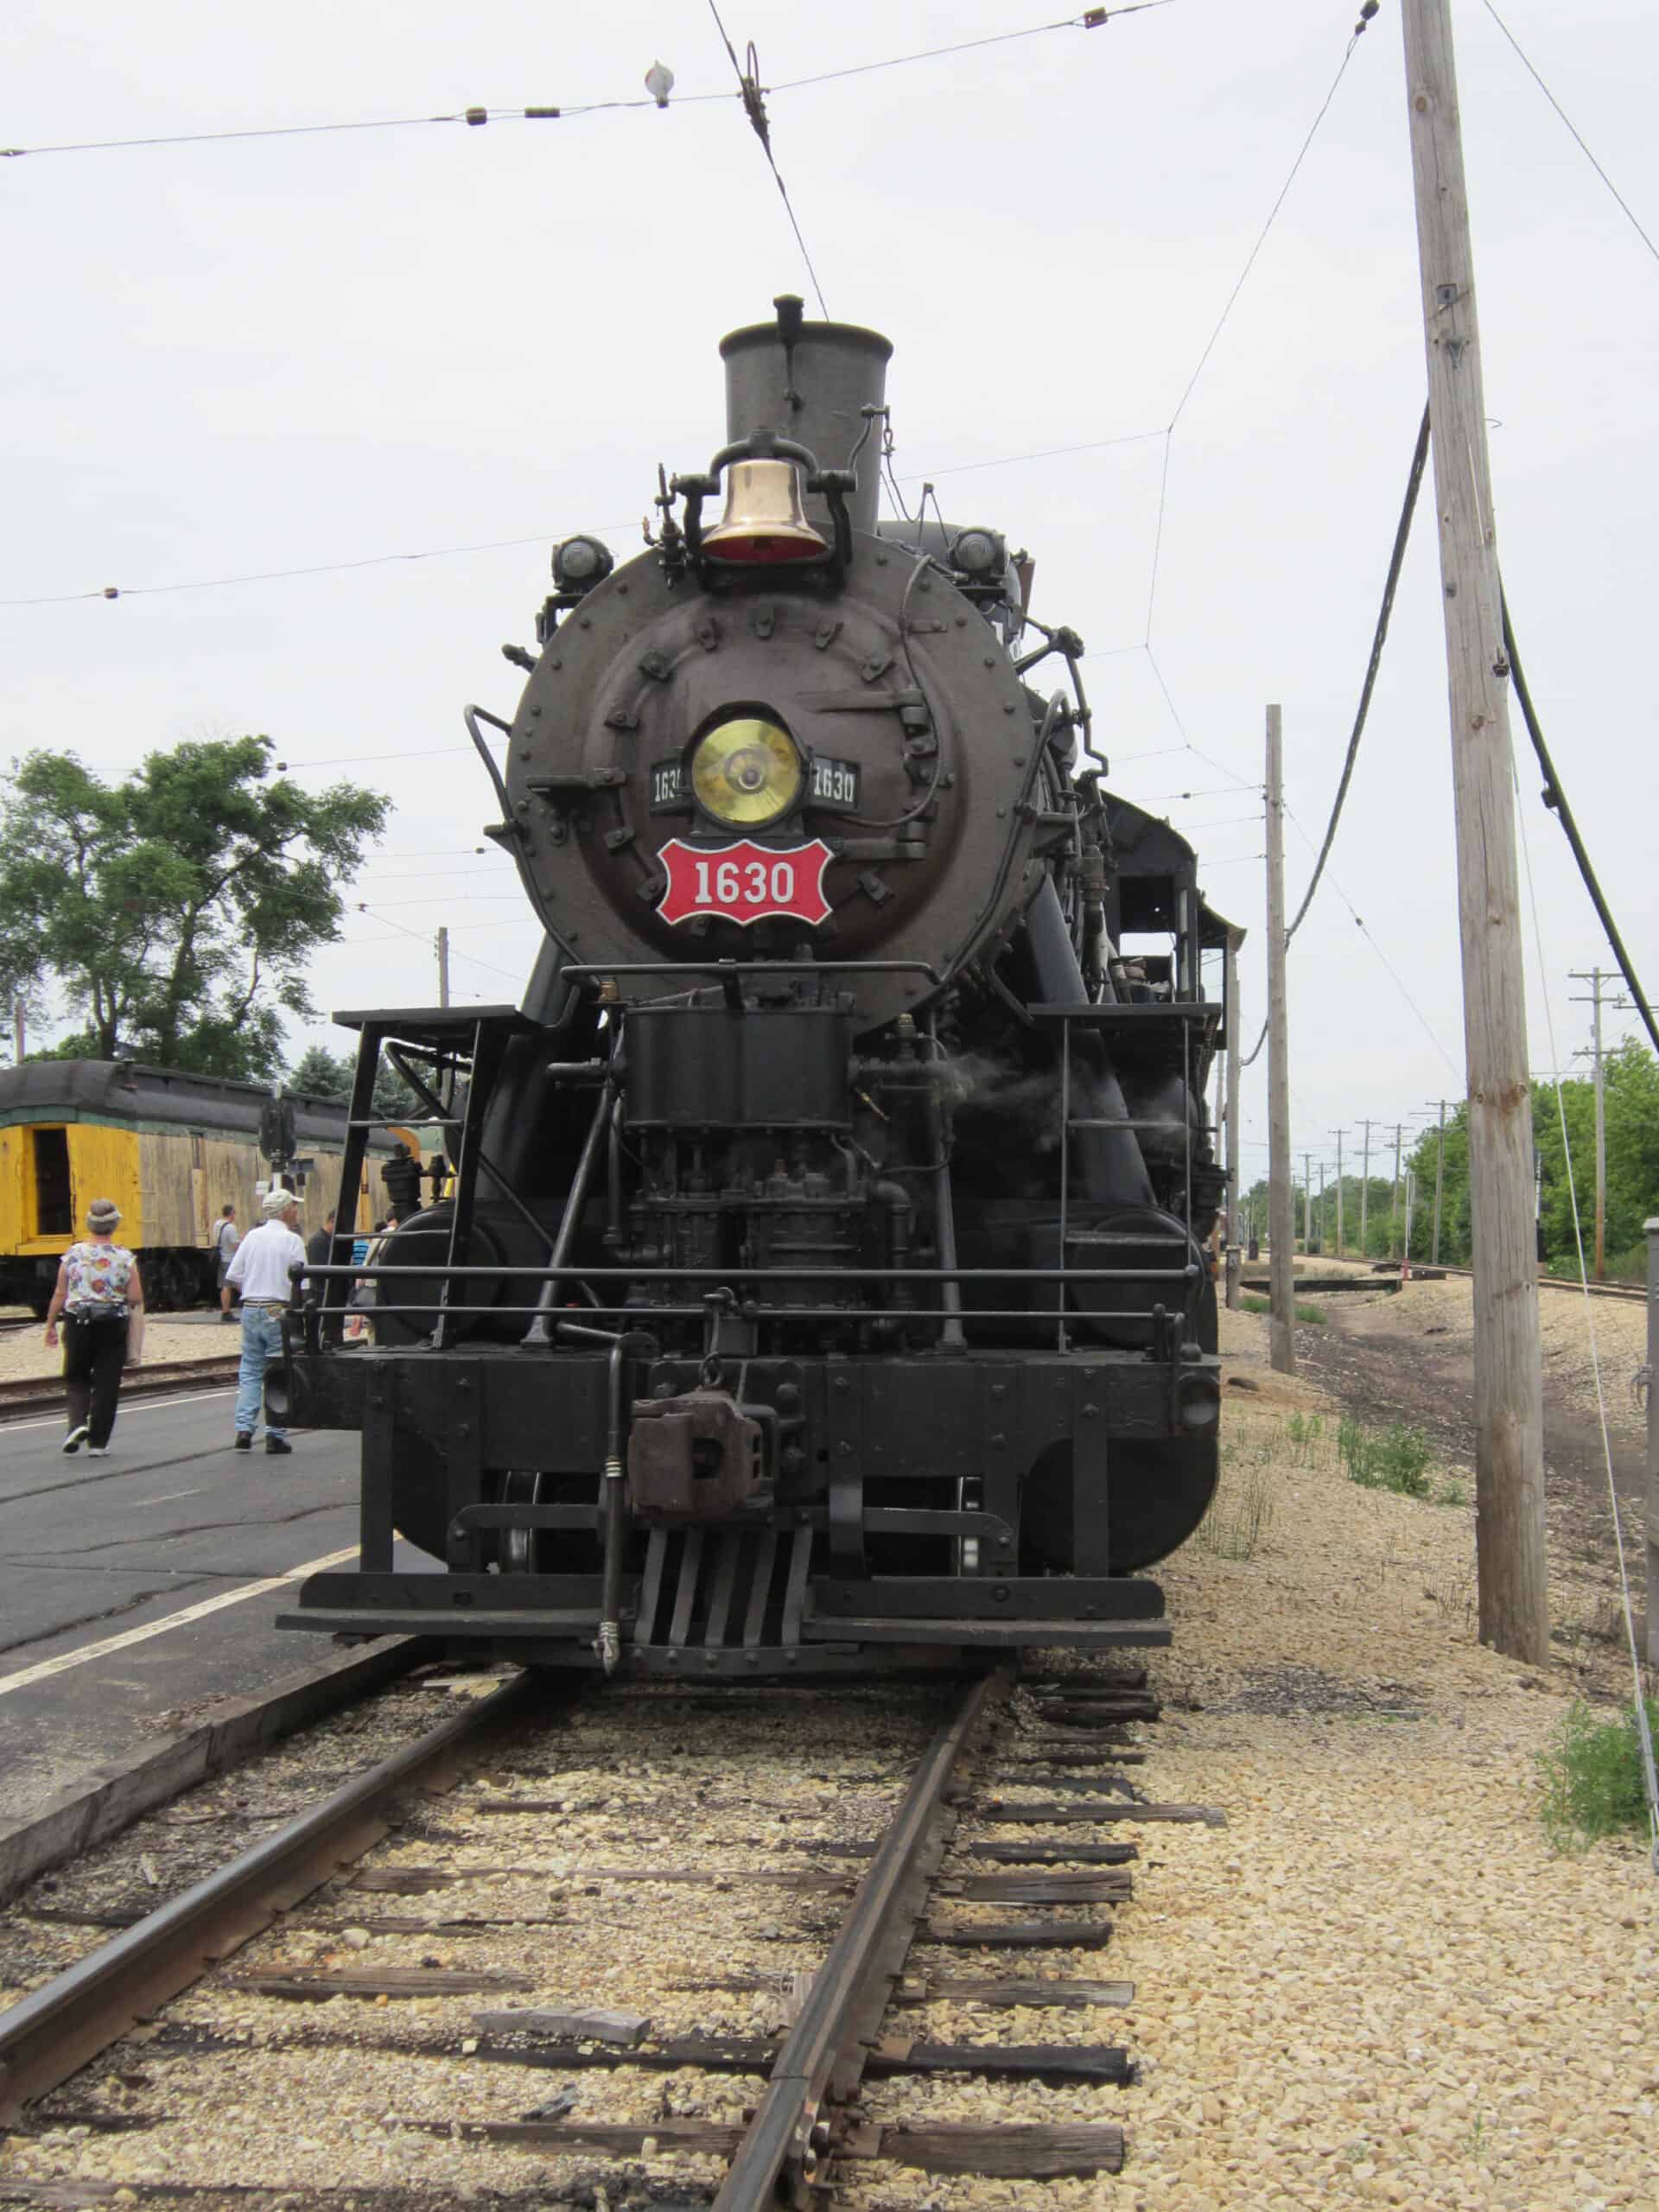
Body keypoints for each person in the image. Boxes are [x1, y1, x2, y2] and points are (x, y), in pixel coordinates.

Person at [42, 1198, 145, 1457]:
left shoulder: (73, 1254)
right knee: (107, 1382)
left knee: (77, 1376)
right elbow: (135, 1298)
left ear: (89, 1223)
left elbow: (59, 1293)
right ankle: (98, 1443)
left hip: (79, 1323)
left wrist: (51, 1325)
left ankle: (77, 1424)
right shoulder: (124, 1257)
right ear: (114, 1225)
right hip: (113, 1324)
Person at [223, 1186, 308, 1454]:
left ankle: (244, 1429)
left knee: (250, 1370)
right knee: (277, 1372)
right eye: (294, 1206)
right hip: (277, 1309)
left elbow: (234, 1275)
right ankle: (275, 1432)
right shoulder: (292, 1240)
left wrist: (253, 1288)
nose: (296, 1210)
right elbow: (302, 1280)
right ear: (286, 1211)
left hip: (251, 1307)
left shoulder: (252, 1238)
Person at [212, 1202, 240, 1321]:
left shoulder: (217, 1224)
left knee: (228, 1285)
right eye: (234, 1212)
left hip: (221, 1257)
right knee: (228, 1286)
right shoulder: (231, 1227)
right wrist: (241, 1241)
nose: (235, 1215)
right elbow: (235, 1246)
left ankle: (226, 1311)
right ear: (231, 1213)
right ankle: (226, 1312)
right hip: (229, 1259)